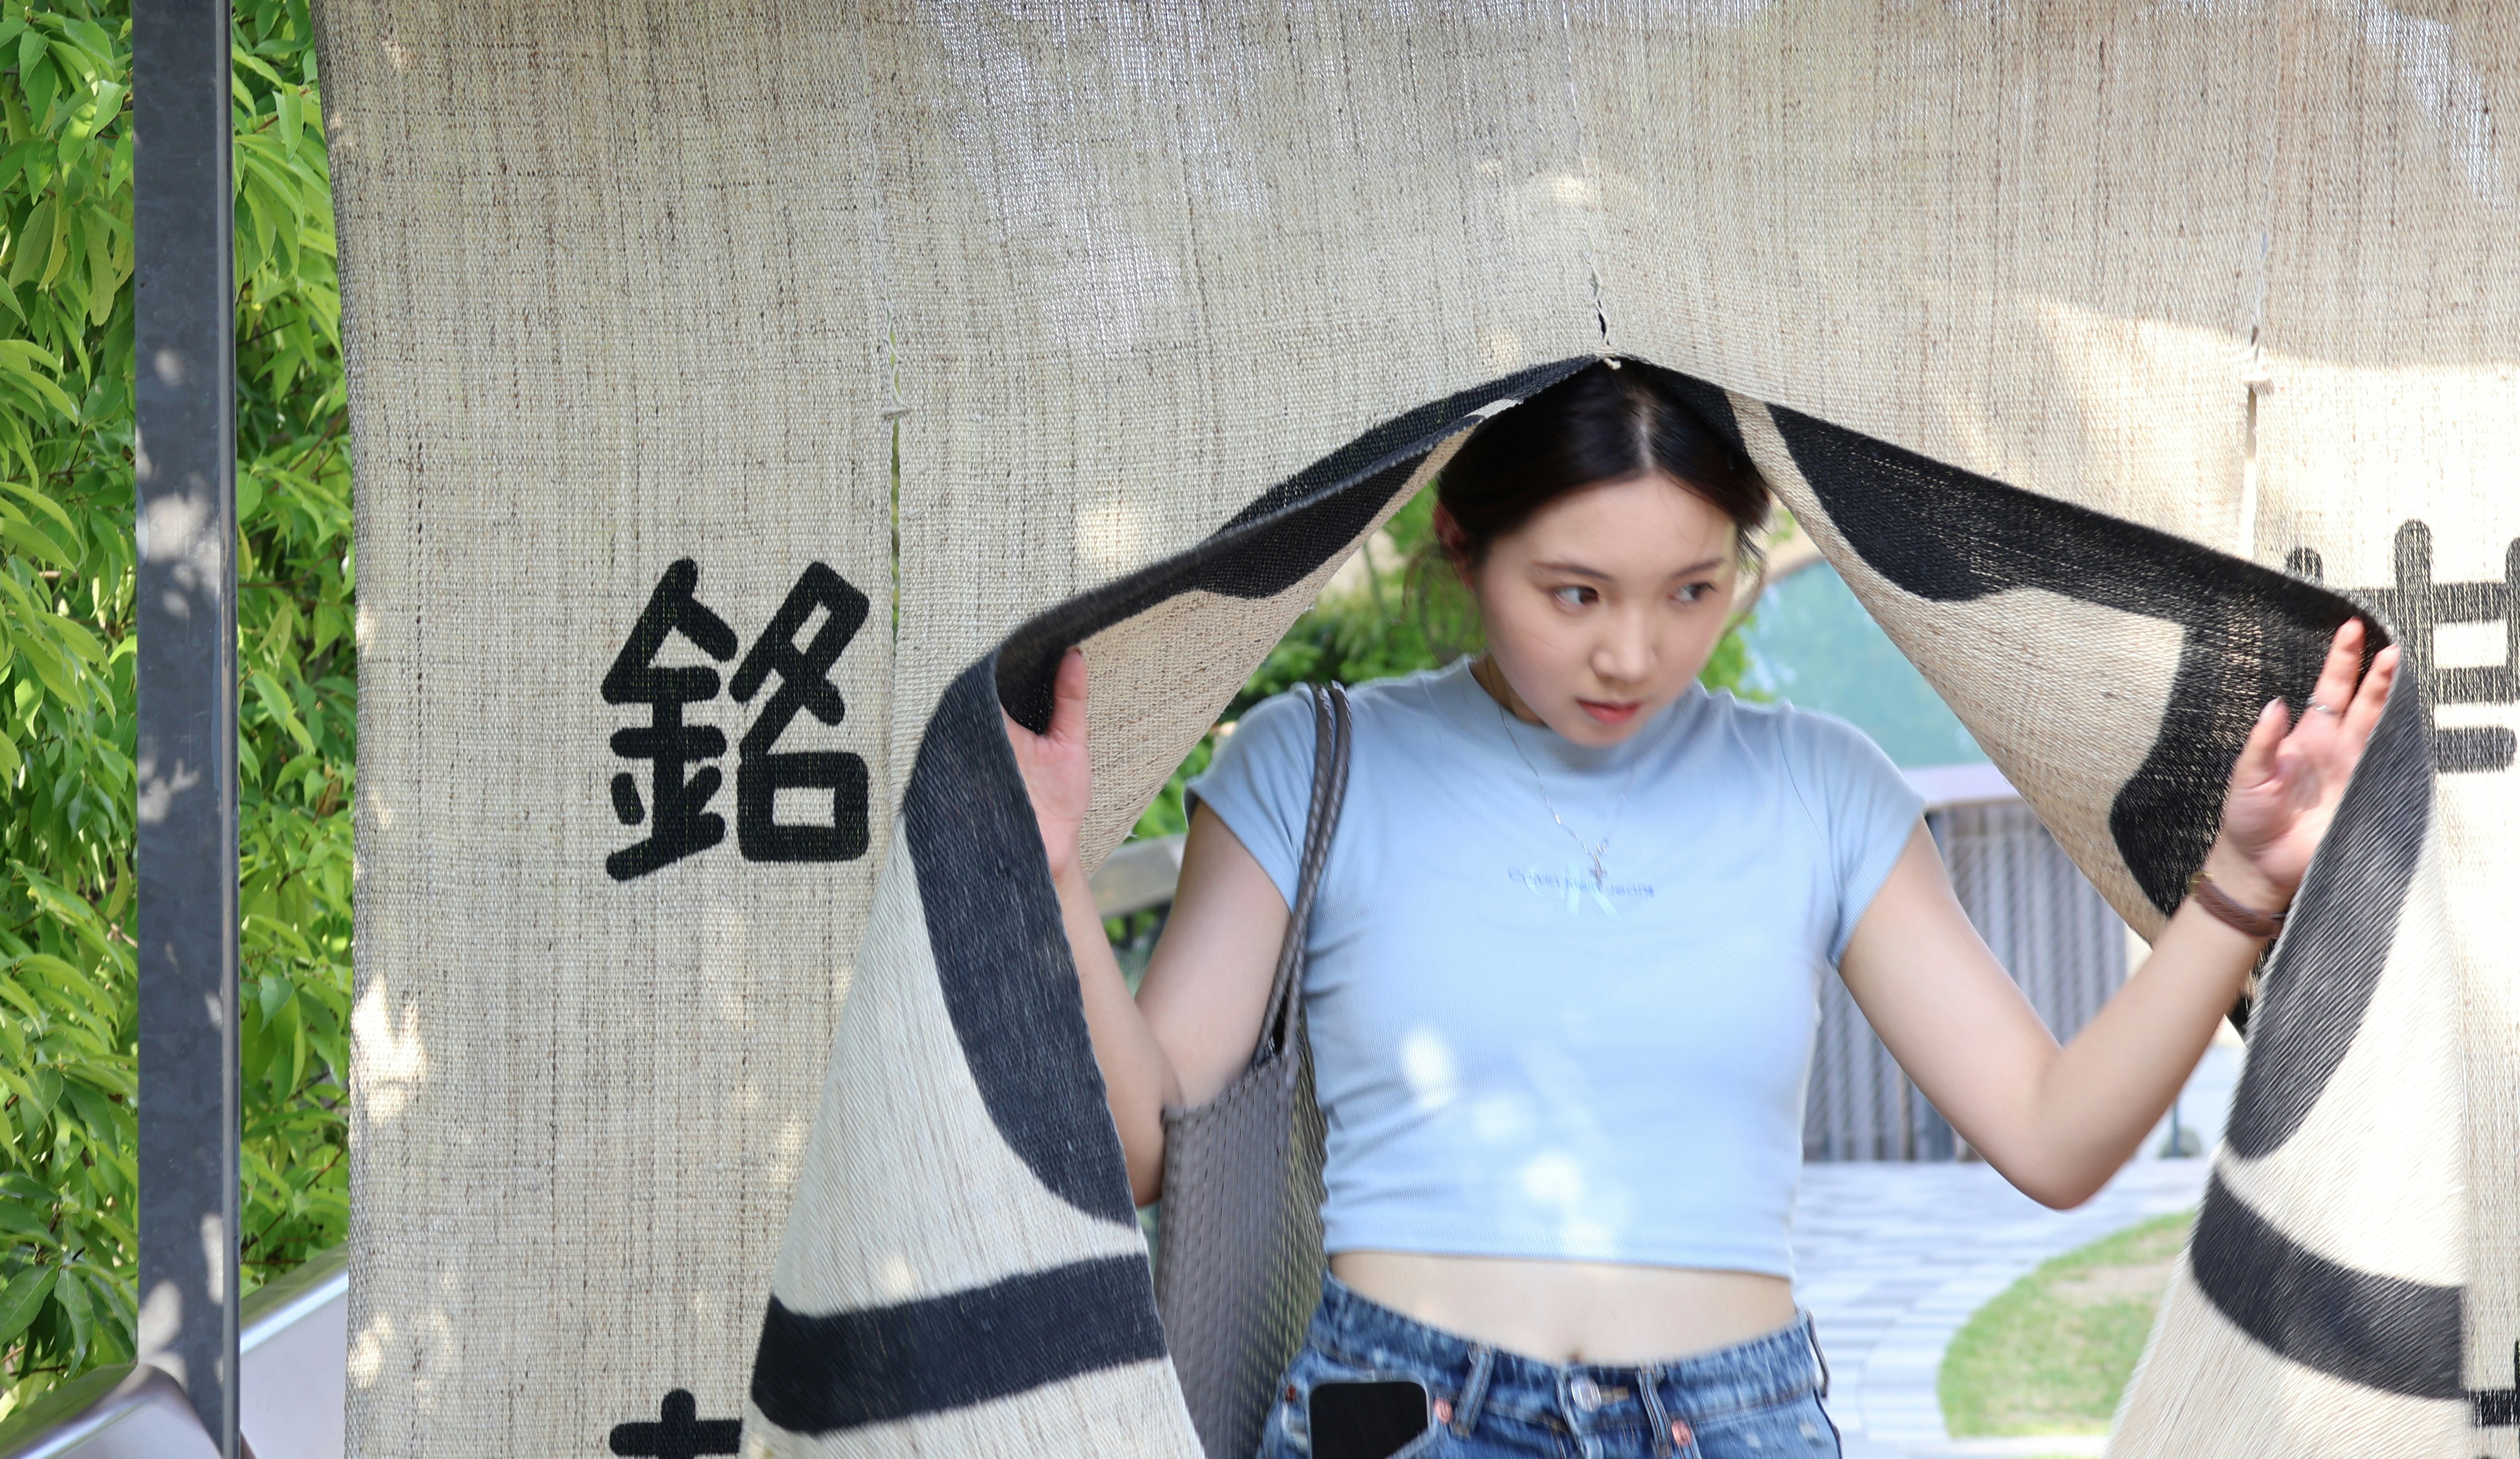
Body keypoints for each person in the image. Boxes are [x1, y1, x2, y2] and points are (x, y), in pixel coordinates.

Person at [1005, 364, 2396, 1459]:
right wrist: (1055, 870)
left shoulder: (1820, 788)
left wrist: (2239, 892)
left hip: (1736, 1422)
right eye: (1575, 593)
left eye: (1691, 589)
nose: (1634, 651)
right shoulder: (1312, 761)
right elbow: (1146, 1137)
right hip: (1409, 1420)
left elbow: (2050, 1134)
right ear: (1459, 544)